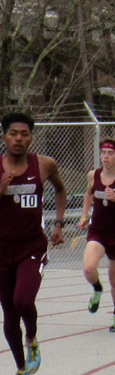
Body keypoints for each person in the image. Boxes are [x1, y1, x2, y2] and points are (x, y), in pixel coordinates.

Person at [0, 112, 68, 375]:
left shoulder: (43, 165)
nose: (18, 139)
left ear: (31, 137)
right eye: (13, 133)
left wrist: (59, 223)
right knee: (8, 313)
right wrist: (0, 189)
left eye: (24, 134)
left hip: (32, 245)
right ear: (4, 136)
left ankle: (33, 340)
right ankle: (20, 369)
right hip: (2, 248)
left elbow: (61, 190)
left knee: (23, 300)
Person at [76, 138, 115, 332]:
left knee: (114, 279)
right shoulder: (94, 175)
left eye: (110, 153)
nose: (106, 157)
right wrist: (84, 215)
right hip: (98, 231)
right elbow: (88, 194)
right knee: (88, 268)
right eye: (104, 153)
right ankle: (97, 289)